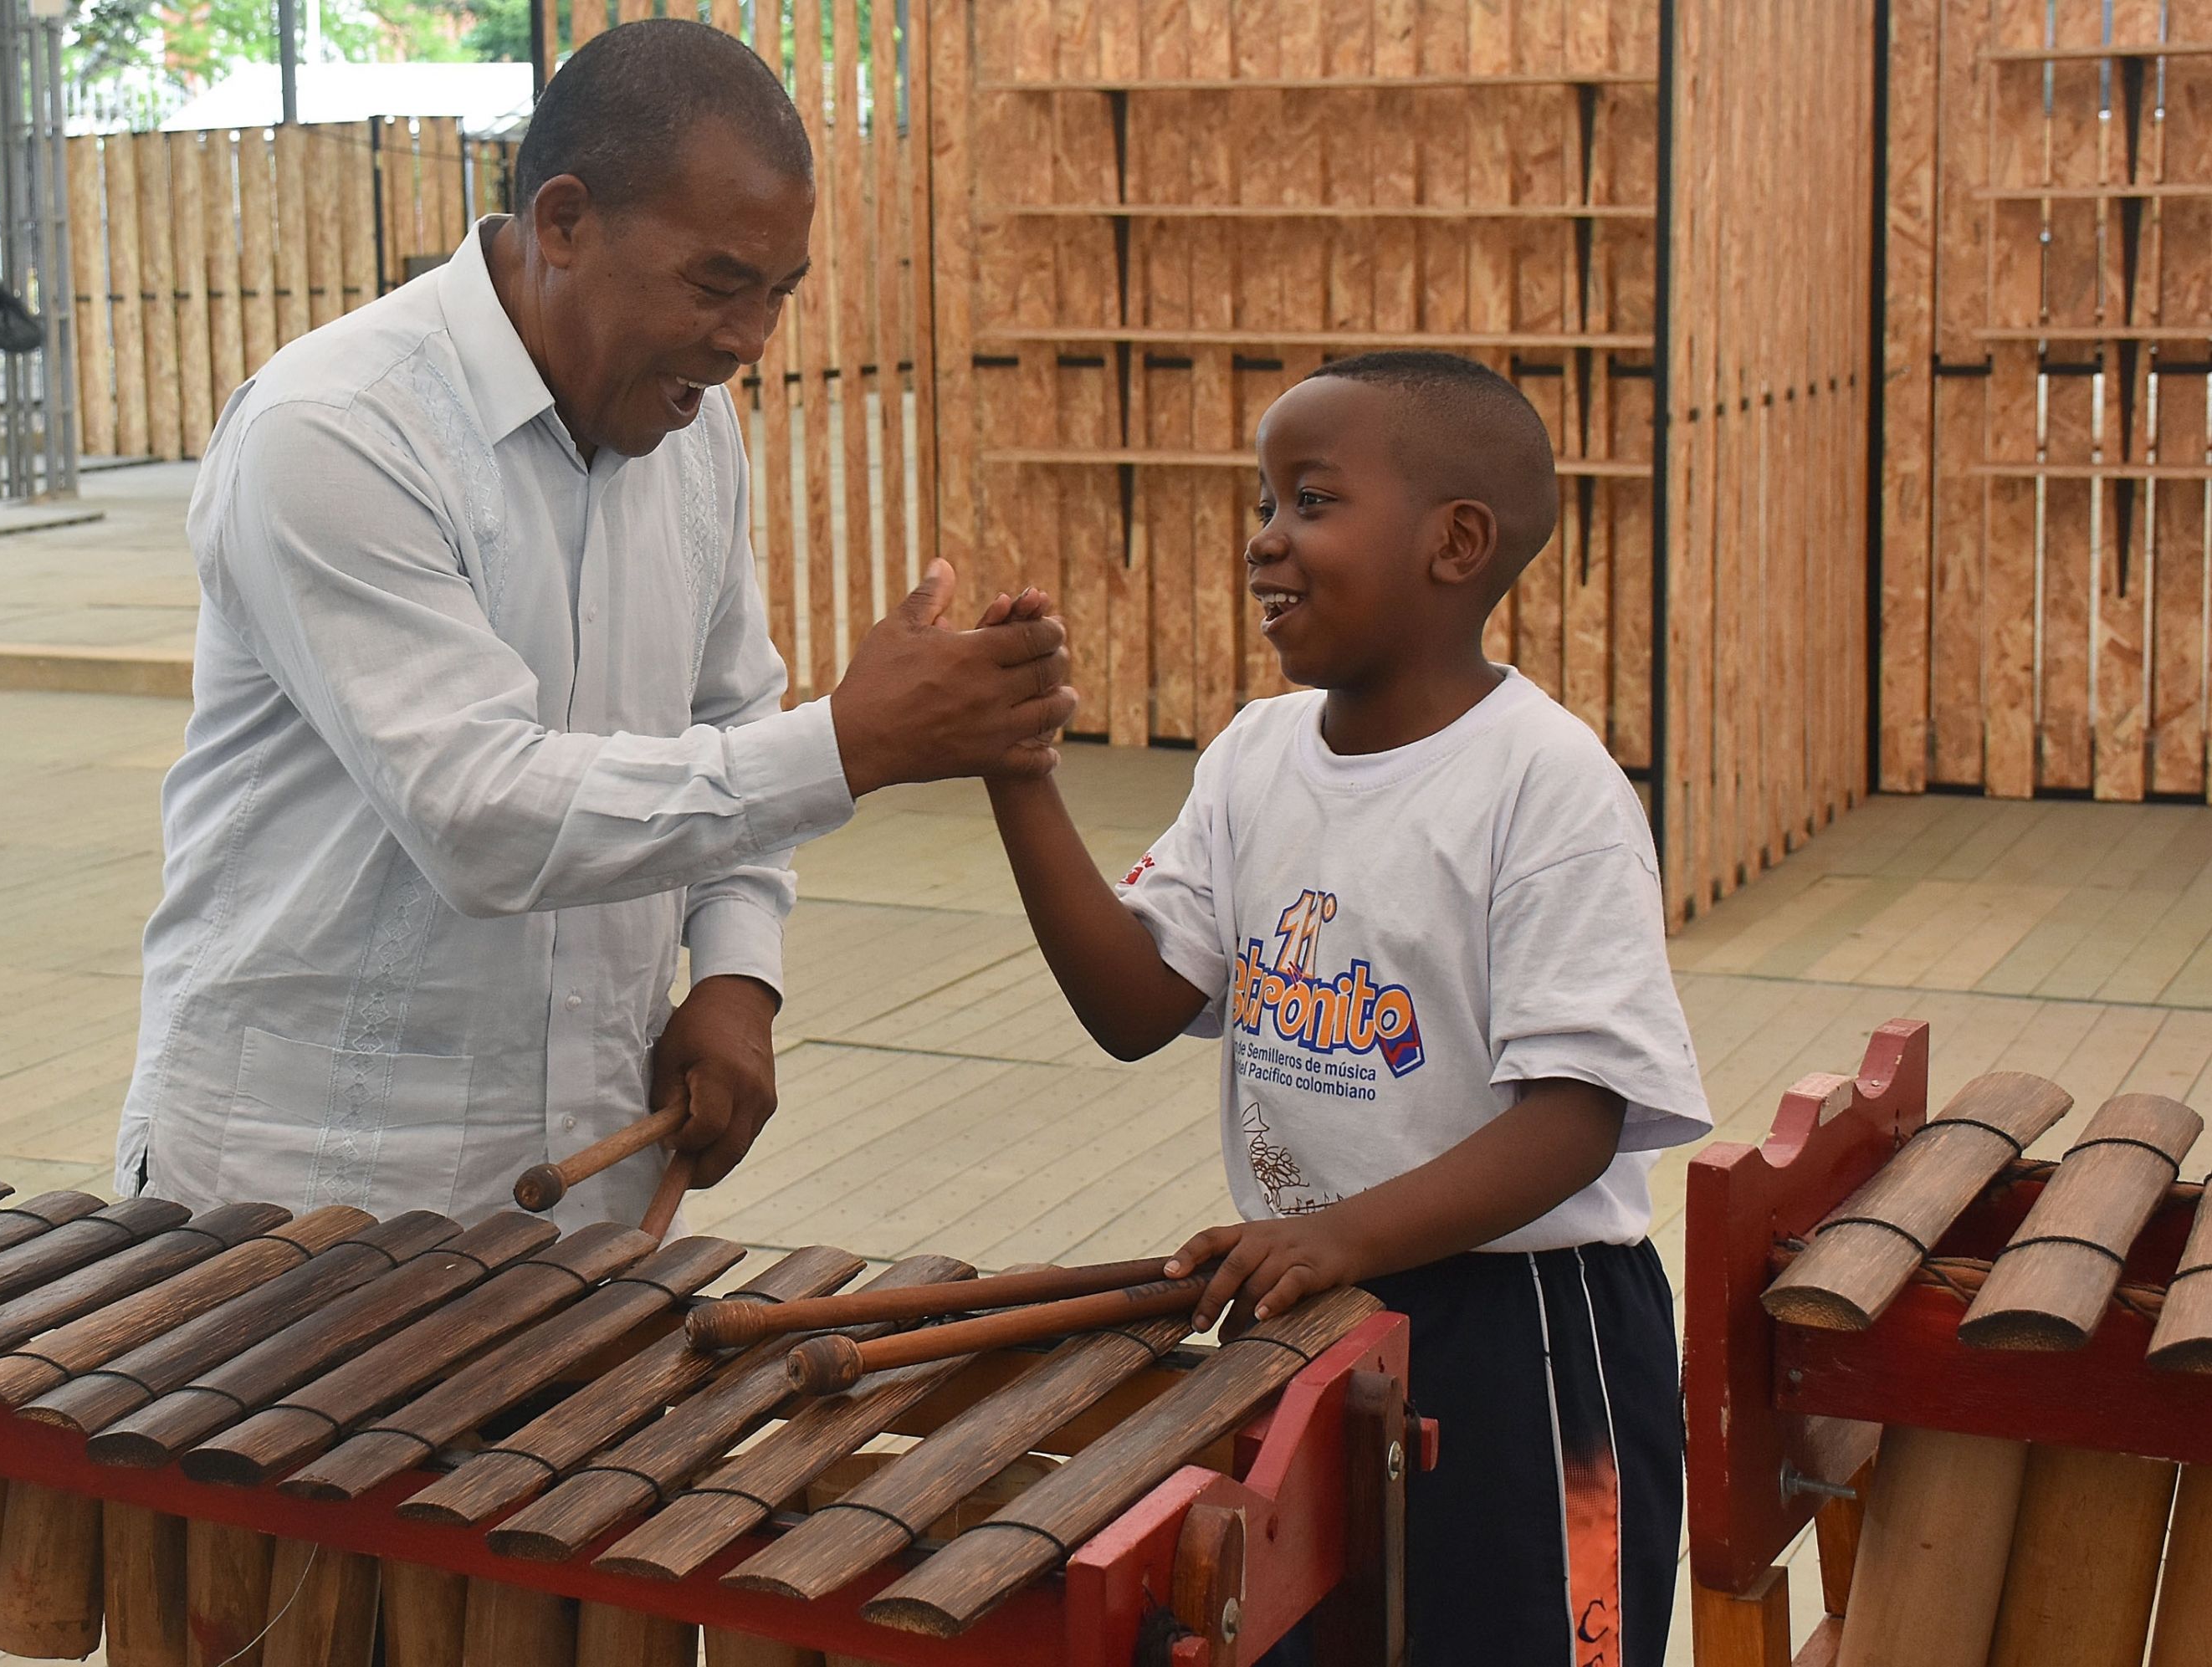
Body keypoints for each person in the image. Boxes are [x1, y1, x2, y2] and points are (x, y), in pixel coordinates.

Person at [115, 19, 1075, 1231]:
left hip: (588, 1194)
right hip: (303, 1198)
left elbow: (724, 716)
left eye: (777, 296)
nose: (747, 344)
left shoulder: (692, 431)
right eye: (718, 284)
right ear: (563, 222)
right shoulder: (336, 429)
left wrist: (736, 974)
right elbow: (478, 815)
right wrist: (851, 743)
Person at [978, 352, 1708, 1665]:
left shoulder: (1547, 786)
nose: (1266, 540)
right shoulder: (1255, 758)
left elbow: (1578, 1119)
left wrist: (1338, 1232)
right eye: (1265, 503)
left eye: (1310, 501)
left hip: (1531, 1342)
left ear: (1457, 543)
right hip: (1328, 1317)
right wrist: (1021, 776)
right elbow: (1137, 1003)